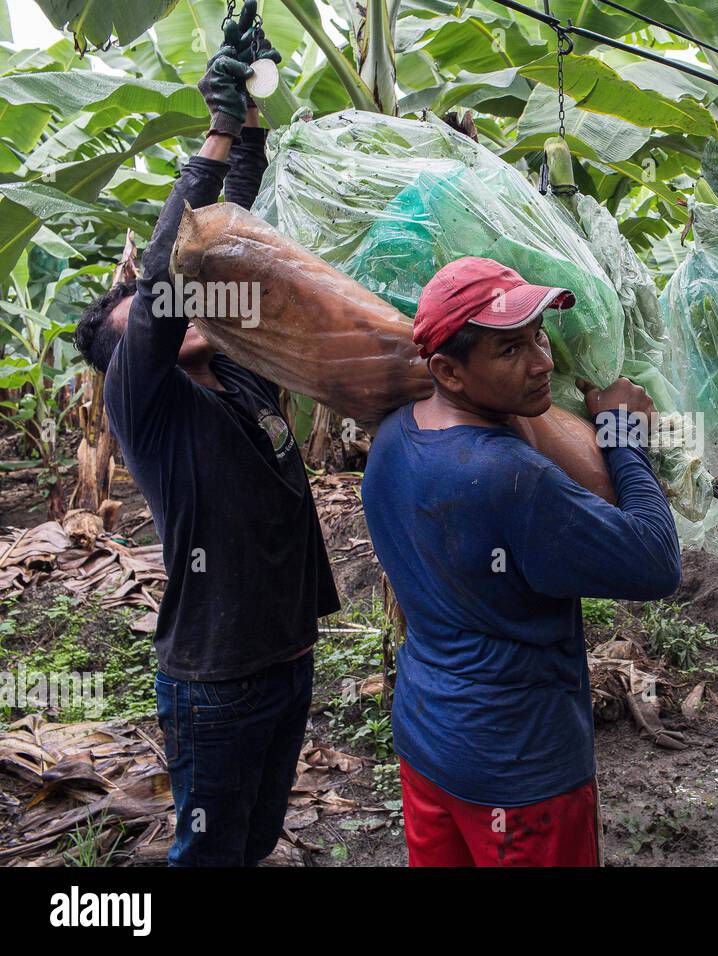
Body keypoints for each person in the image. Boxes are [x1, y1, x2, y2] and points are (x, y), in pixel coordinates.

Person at [73, 3, 339, 866]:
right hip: (215, 678)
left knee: (254, 839)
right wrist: (216, 128)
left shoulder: (238, 369)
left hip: (288, 656)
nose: (185, 302)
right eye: (146, 315)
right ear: (125, 355)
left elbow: (231, 235)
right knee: (211, 853)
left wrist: (251, 129)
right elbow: (162, 278)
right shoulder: (147, 405)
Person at [362, 256, 681, 867]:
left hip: (428, 743)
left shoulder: (394, 438)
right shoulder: (511, 478)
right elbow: (656, 562)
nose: (543, 362)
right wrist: (619, 435)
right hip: (519, 769)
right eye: (510, 351)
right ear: (448, 371)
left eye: (539, 336)